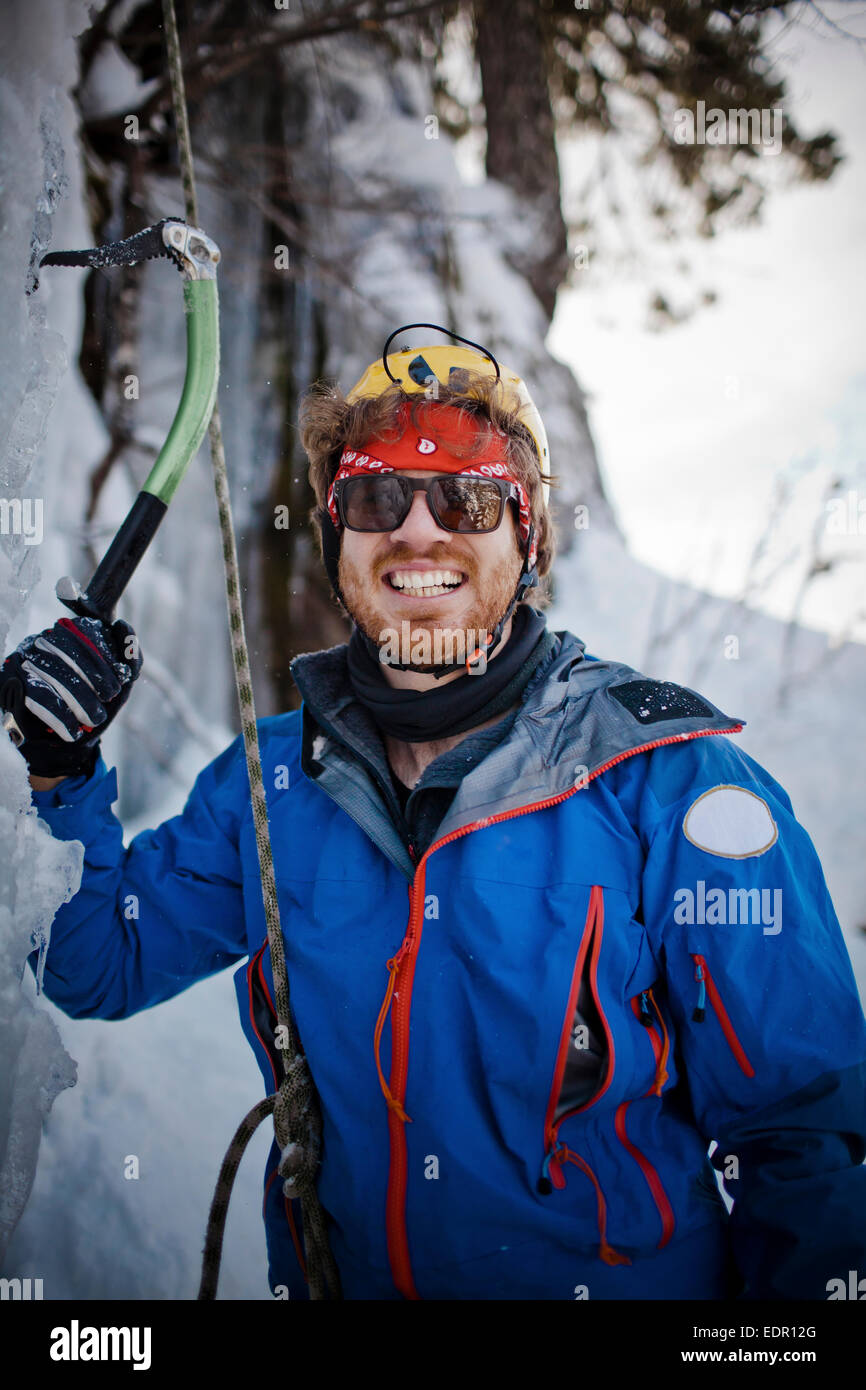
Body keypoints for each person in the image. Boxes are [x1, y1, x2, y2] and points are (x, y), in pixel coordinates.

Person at [3, 332, 865, 1302]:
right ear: (336, 530)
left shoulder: (672, 783)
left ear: (525, 534)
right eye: (375, 496)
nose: (418, 531)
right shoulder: (265, 785)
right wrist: (63, 769)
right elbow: (94, 964)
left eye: (468, 495)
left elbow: (803, 1138)